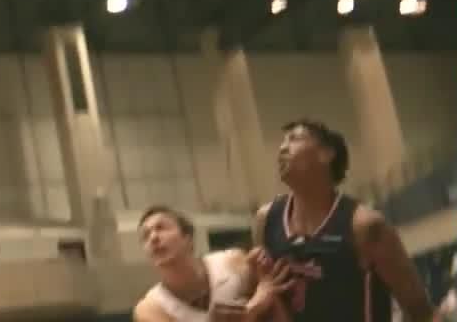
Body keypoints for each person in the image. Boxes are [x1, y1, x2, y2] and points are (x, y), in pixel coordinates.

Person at [252, 119, 434, 322]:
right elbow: (260, 307)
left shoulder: (364, 226)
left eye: (294, 139)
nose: (282, 148)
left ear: (326, 154)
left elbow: (421, 312)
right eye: (282, 141)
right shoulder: (266, 220)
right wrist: (256, 297)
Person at [133, 205, 289, 321]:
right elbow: (259, 303)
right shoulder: (150, 309)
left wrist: (264, 277)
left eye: (161, 227)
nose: (153, 237)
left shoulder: (233, 261)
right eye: (146, 236)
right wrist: (251, 310)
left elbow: (275, 311)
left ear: (187, 237)